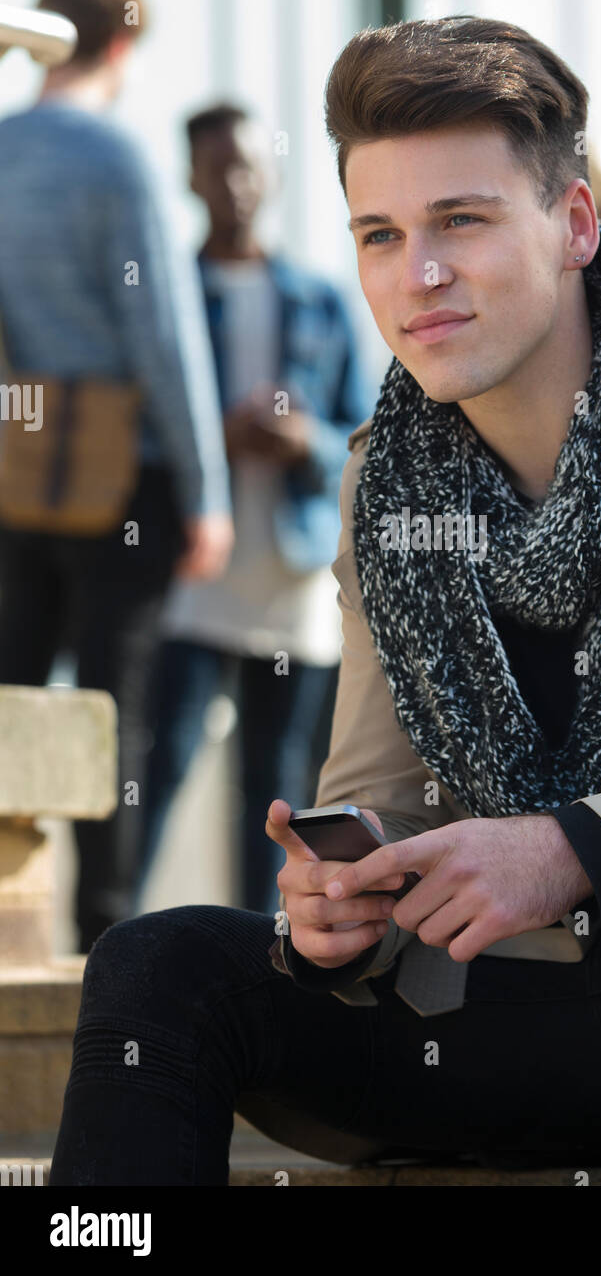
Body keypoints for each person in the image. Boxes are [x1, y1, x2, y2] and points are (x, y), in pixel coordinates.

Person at [49, 16, 601, 1186]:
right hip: (498, 1011)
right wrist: (347, 892)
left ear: (574, 224)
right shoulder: (383, 480)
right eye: (378, 234)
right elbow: (376, 797)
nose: (415, 275)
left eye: (460, 222)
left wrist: (579, 845)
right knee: (157, 961)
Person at [0, 0, 233, 952]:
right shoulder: (117, 160)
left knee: (8, 690)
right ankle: (107, 945)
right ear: (124, 45)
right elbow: (164, 341)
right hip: (119, 474)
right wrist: (207, 490)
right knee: (112, 712)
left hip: (11, 458)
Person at [136, 102, 373, 915]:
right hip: (190, 570)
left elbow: (363, 432)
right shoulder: (167, 293)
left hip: (292, 570)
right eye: (215, 167)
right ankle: (113, 937)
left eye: (246, 165)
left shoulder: (319, 298)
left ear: (268, 174)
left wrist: (302, 440)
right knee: (159, 759)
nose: (234, 183)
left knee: (275, 783)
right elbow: (136, 428)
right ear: (190, 178)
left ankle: (256, 952)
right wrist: (209, 440)